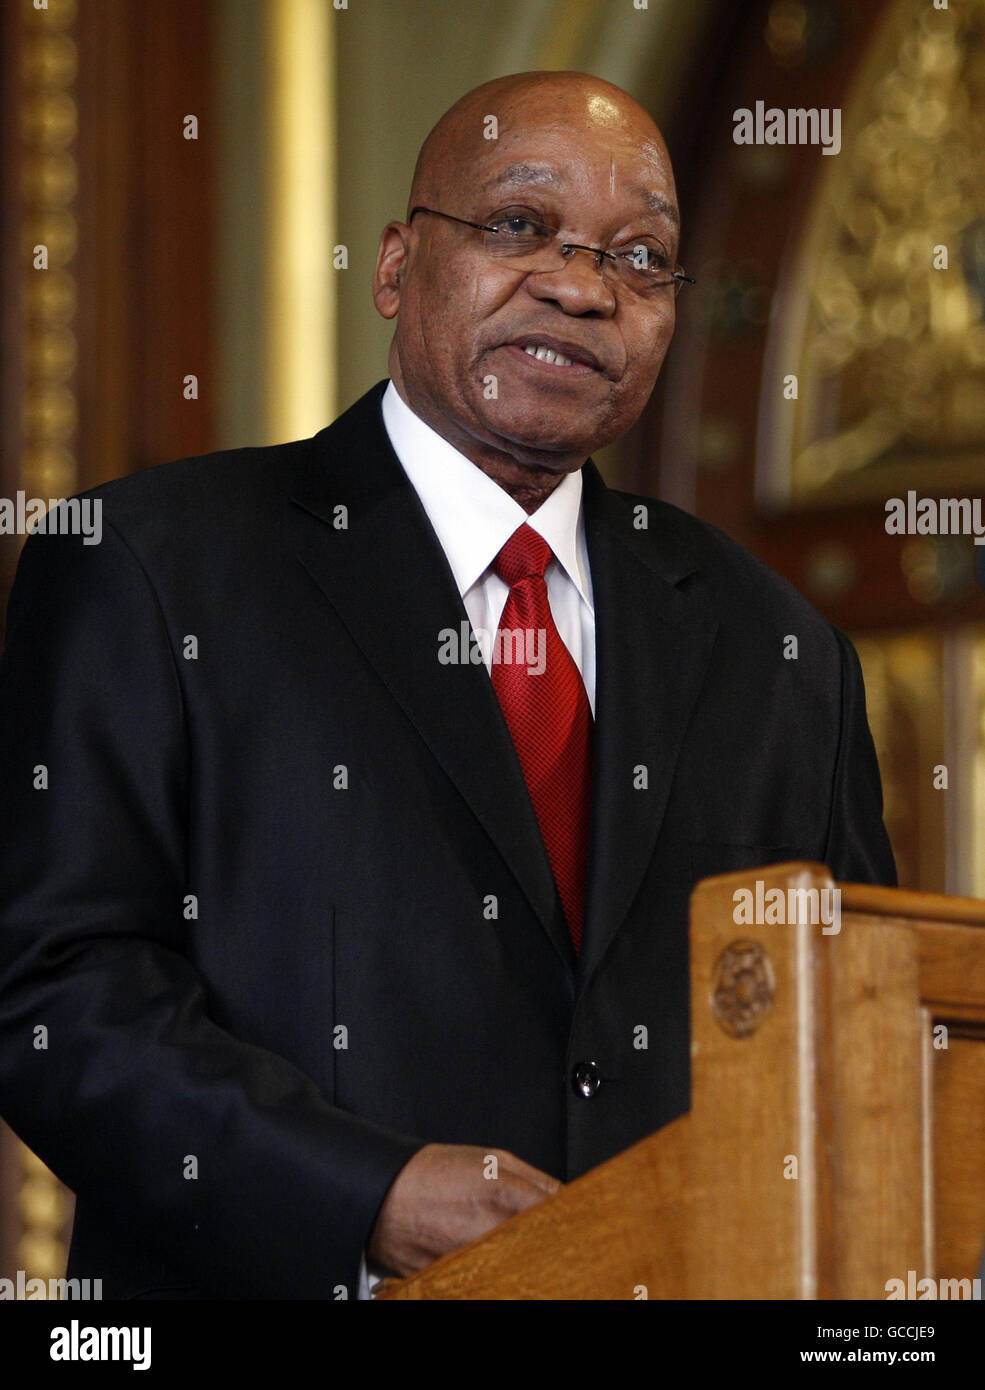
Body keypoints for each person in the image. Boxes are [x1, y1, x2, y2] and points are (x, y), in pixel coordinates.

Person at [0, 71, 895, 1300]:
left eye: (640, 258)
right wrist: (360, 1195)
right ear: (392, 266)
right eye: (520, 227)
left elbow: (860, 1047)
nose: (583, 287)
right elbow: (55, 988)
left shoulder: (779, 649)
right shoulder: (158, 567)